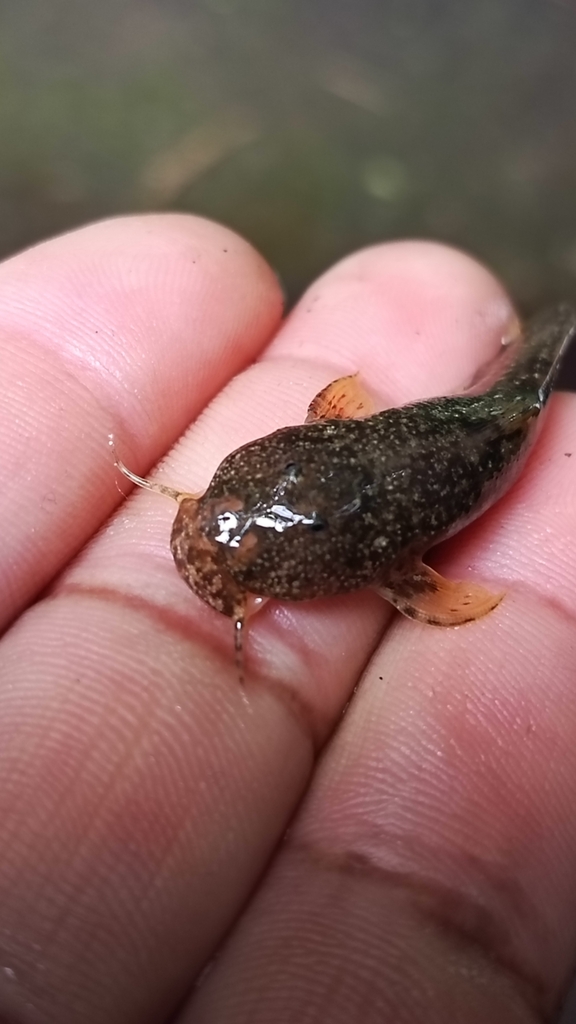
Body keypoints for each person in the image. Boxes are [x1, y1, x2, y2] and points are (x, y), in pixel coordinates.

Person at [0, 213, 572, 1024]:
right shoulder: (340, 445)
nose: (216, 537)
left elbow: (454, 599)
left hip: (491, 411)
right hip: (468, 412)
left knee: (524, 383)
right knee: (521, 375)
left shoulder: (384, 551)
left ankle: (552, 313)